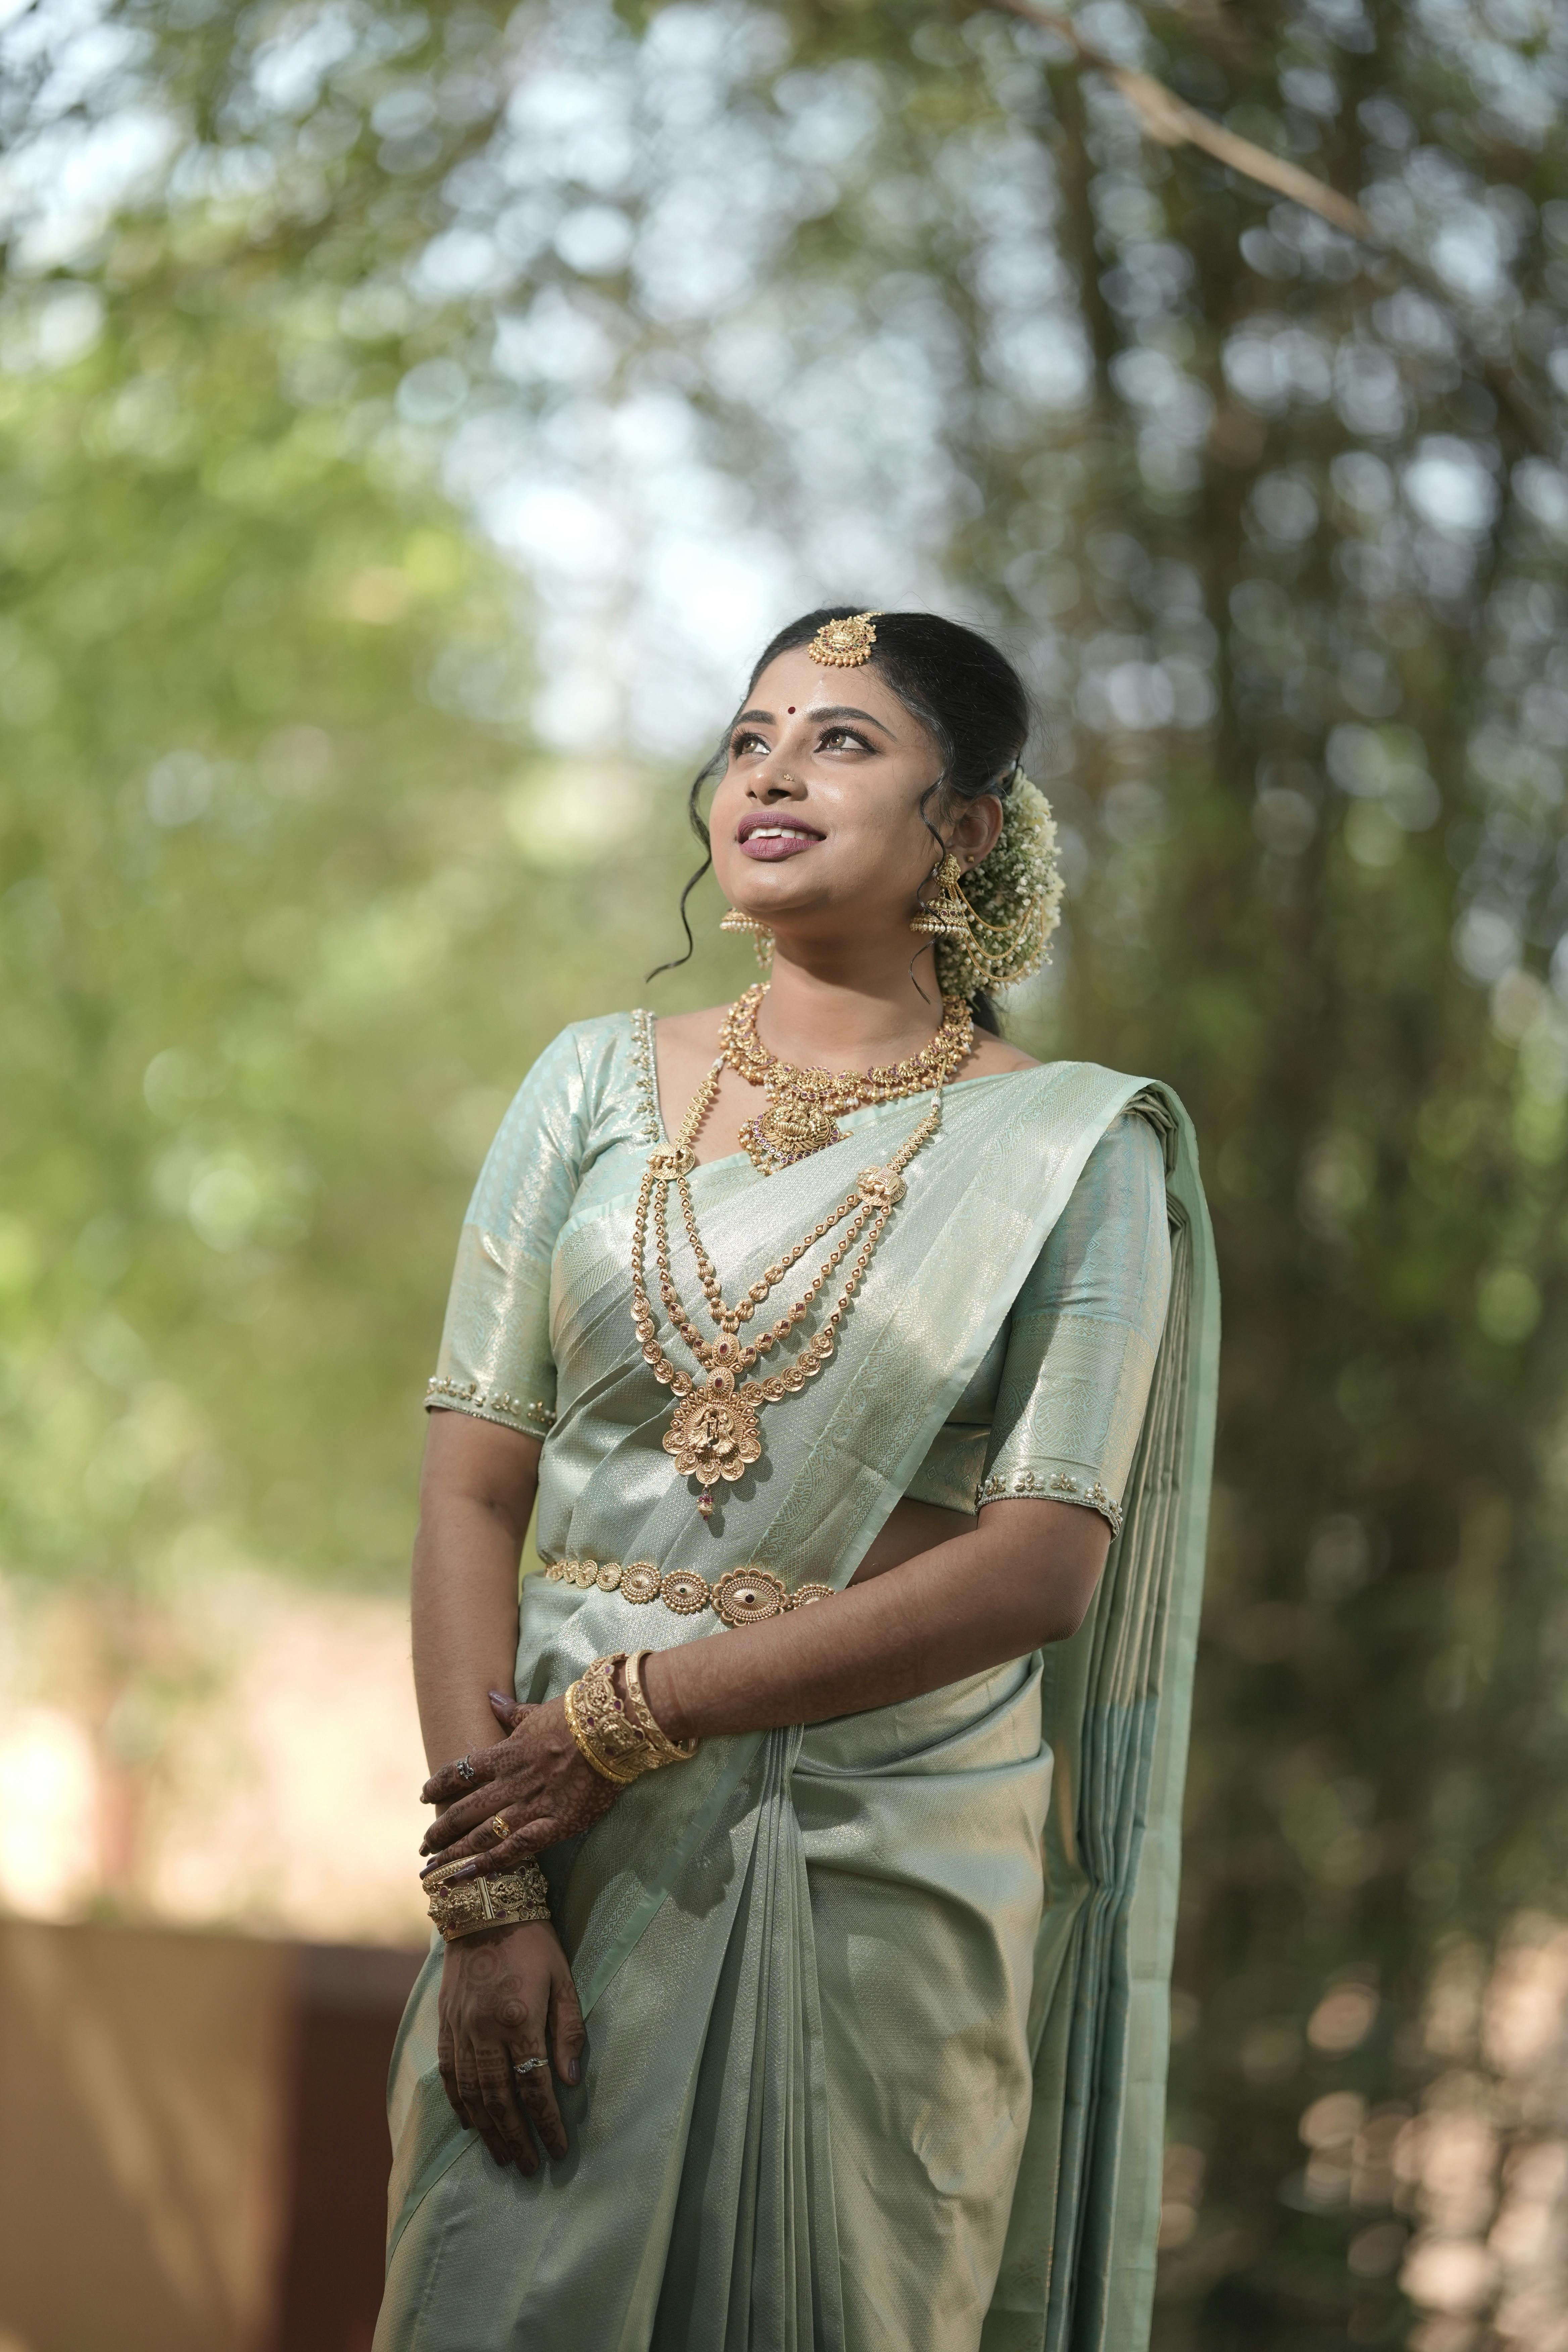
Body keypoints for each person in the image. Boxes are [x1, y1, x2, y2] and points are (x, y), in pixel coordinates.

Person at [374, 608, 1218, 2352]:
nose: (771, 769)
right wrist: (488, 1894)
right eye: (751, 736)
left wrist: (640, 1711)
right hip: (553, 1839)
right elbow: (470, 1496)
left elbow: (1040, 1565)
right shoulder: (591, 1086)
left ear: (969, 825)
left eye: (843, 740)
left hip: (876, 1857)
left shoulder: (1074, 1150)